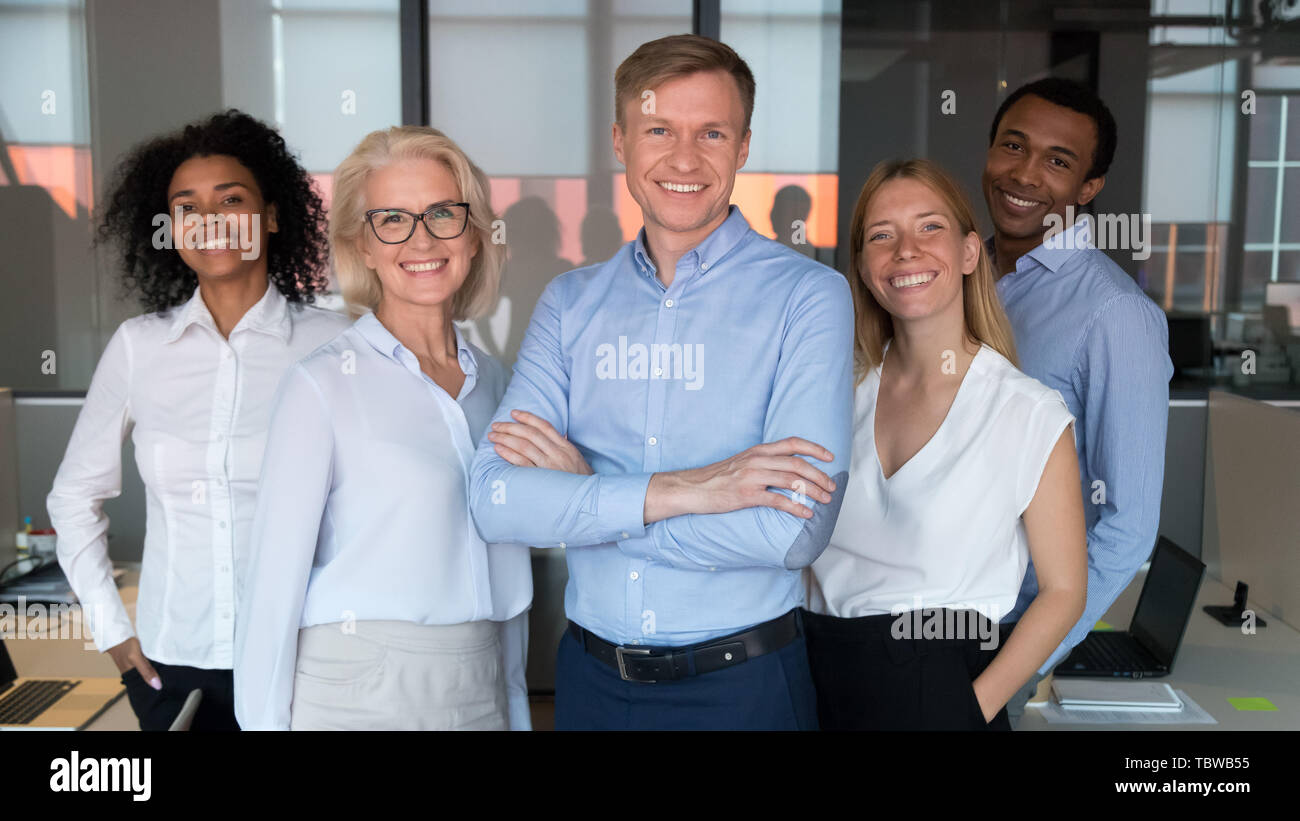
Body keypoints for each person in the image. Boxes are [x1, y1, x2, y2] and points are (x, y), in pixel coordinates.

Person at [467, 34, 853, 731]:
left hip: (744, 691)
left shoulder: (809, 297)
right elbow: (496, 500)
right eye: (658, 129)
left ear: (742, 147)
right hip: (591, 686)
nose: (684, 157)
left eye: (711, 131)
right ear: (621, 141)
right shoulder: (569, 303)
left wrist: (589, 500)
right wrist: (685, 491)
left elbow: (790, 532)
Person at [46, 110, 350, 731]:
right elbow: (72, 497)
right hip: (172, 668)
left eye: (230, 199)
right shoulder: (139, 348)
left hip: (308, 661)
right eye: (187, 206)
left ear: (269, 216)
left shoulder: (335, 344)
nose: (208, 221)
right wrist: (113, 634)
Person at [233, 126, 531, 731]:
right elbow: (270, 588)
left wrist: (515, 708)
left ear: (474, 235)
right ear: (362, 247)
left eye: (442, 213)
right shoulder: (320, 386)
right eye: (391, 219)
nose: (421, 238)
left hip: (481, 683)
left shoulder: (503, 386)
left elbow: (509, 567)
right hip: (356, 692)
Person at [803, 158, 1088, 730]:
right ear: (862, 266)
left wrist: (970, 709)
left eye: (929, 227)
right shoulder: (832, 393)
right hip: (814, 675)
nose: (905, 250)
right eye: (882, 235)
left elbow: (1064, 592)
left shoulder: (1026, 412)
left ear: (968, 252)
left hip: (938, 688)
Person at [982, 78, 1173, 727]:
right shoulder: (962, 275)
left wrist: (1020, 662)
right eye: (1014, 145)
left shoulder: (1115, 314)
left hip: (1004, 633)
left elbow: (1127, 524)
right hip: (916, 615)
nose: (1025, 173)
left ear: (1088, 189)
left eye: (1057, 161)